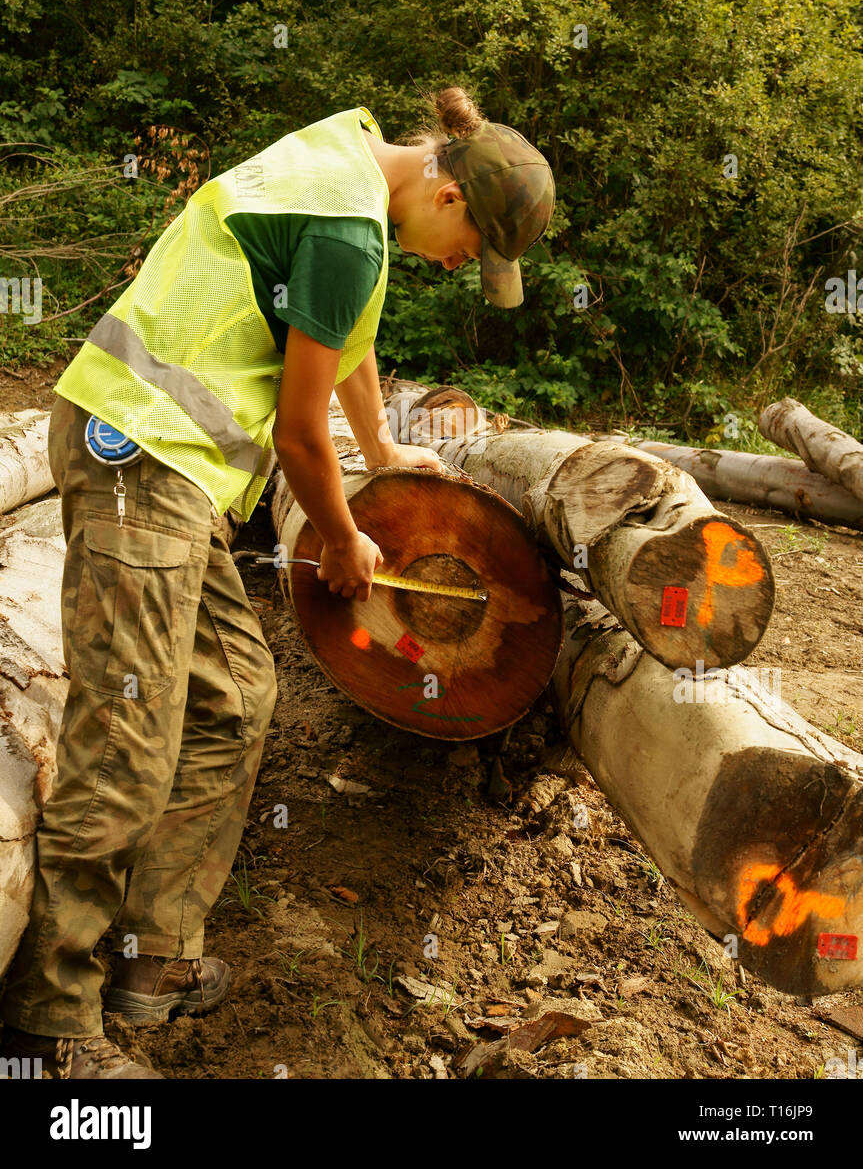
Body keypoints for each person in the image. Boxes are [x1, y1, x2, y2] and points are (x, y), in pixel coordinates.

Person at [0, 86, 555, 1079]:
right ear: (448, 194)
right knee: (126, 730)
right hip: (138, 453)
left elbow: (342, 333)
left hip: (174, 466)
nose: (458, 266)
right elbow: (301, 434)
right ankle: (53, 1024)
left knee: (235, 698)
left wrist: (382, 445)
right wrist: (342, 538)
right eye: (467, 250)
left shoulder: (348, 161)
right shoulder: (349, 228)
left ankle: (151, 957)